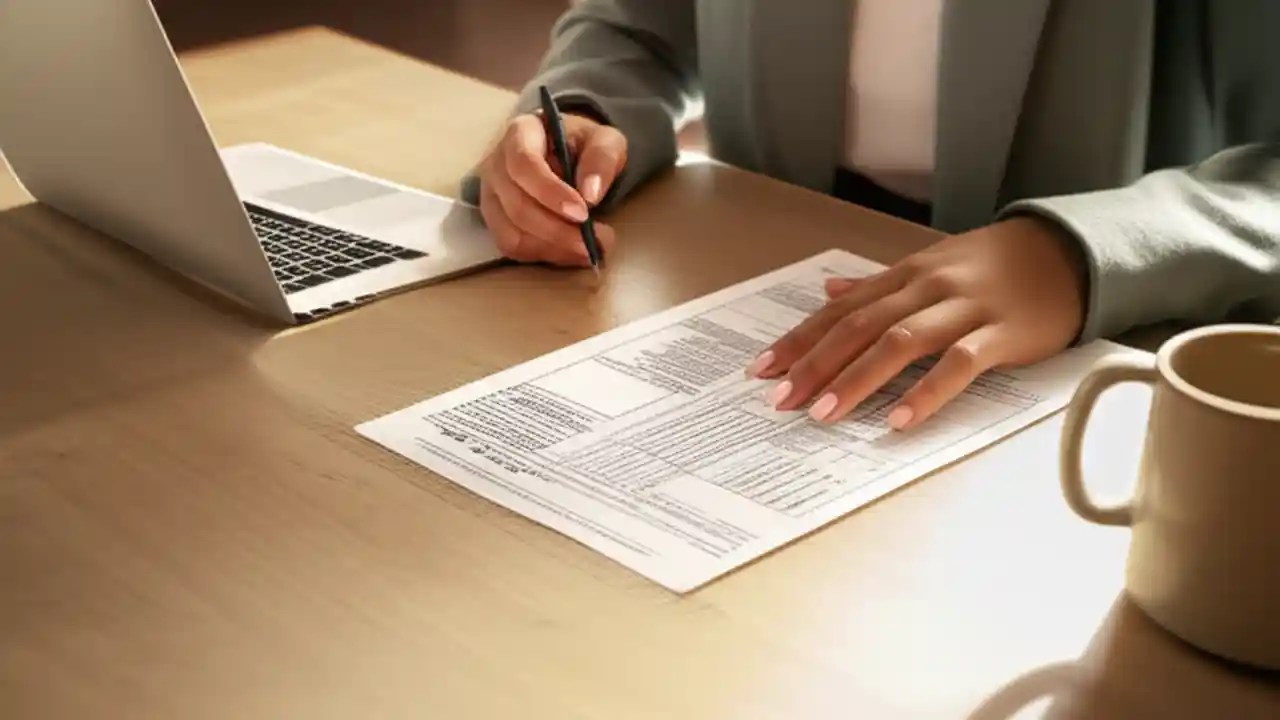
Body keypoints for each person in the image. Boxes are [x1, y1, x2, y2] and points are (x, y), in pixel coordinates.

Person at [464, 1, 1280, 429]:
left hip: (1100, 372)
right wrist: (584, 111)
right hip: (747, 279)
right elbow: (642, 24)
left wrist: (1085, 255)